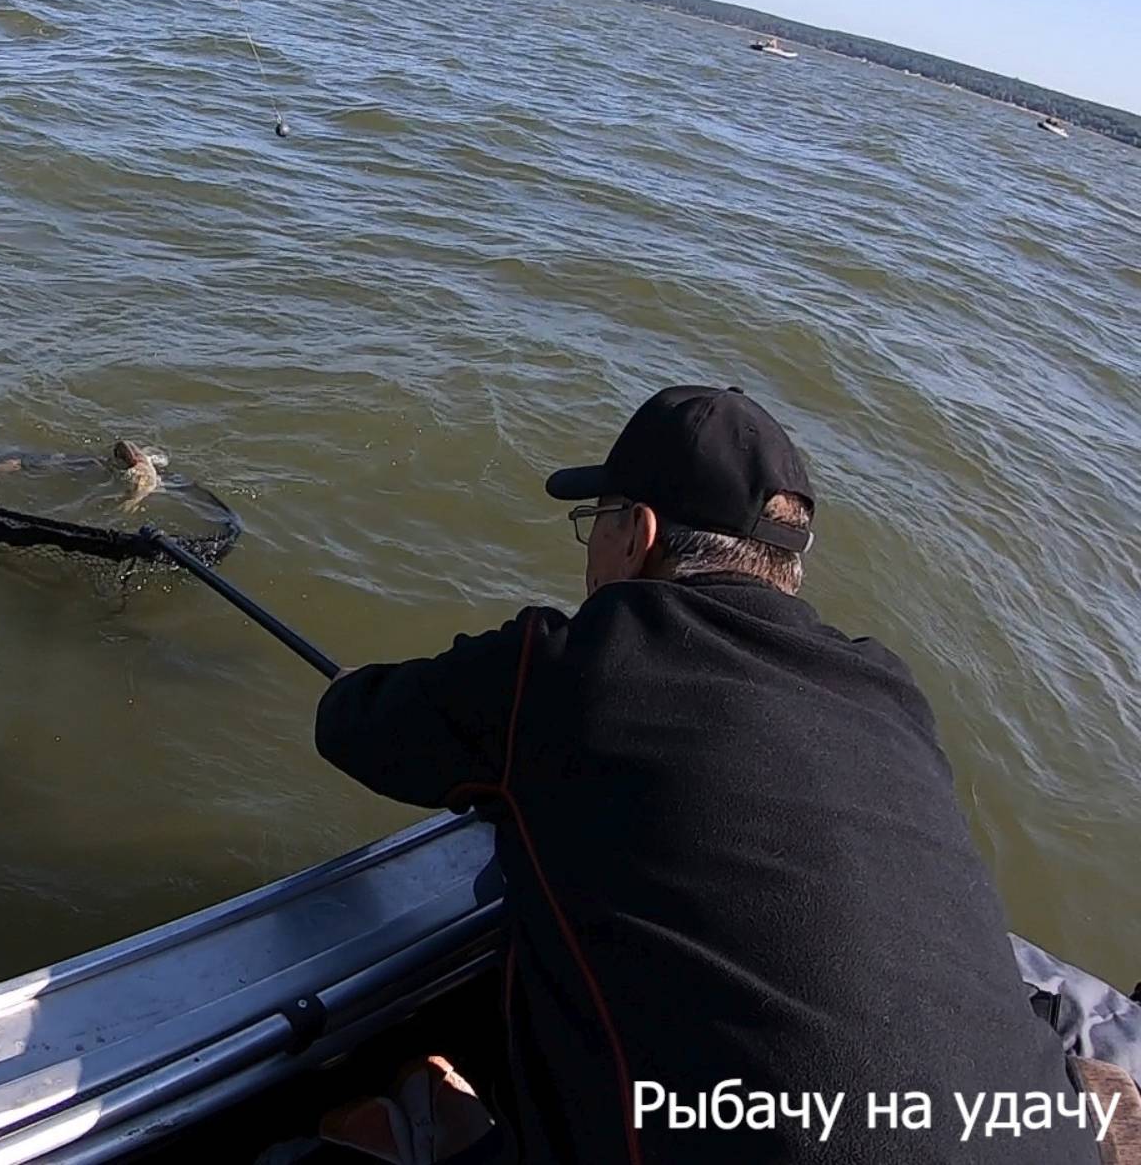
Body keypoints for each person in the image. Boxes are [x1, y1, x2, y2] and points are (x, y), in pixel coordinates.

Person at [314, 385, 1093, 1163]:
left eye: (597, 520)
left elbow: (354, 729)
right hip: (1035, 1138)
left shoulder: (571, 668)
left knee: (355, 1133)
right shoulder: (888, 687)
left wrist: (366, 687)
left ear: (636, 533)